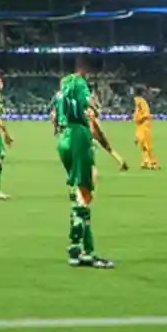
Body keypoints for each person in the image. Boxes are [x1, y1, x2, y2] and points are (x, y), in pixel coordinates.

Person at [56, 55, 115, 268]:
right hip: (79, 136)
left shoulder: (62, 85)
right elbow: (90, 112)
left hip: (63, 138)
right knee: (84, 195)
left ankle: (79, 249)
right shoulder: (80, 84)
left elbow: (54, 117)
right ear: (87, 70)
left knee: (77, 193)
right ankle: (83, 252)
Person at [132, 86, 160, 170]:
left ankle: (152, 162)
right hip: (142, 124)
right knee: (144, 144)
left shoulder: (140, 102)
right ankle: (146, 161)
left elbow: (144, 114)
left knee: (146, 144)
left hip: (143, 124)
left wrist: (141, 117)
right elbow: (143, 113)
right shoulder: (140, 101)